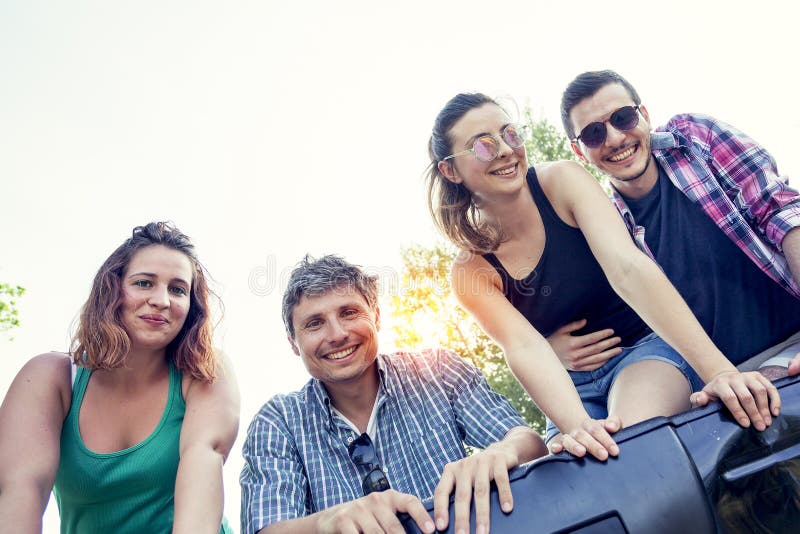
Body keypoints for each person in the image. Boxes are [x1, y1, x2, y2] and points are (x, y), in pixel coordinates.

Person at [426, 92, 780, 463]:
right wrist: (577, 425)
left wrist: (719, 371)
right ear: (450, 170)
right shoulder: (470, 270)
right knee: (581, 469)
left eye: (510, 134)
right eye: (482, 146)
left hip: (641, 353)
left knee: (628, 451)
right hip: (571, 389)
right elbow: (524, 347)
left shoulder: (560, 181)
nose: (504, 150)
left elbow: (627, 268)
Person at [239, 254, 547, 534]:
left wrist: (502, 452)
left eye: (348, 312)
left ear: (376, 316)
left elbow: (528, 441)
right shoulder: (278, 421)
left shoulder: (437, 369)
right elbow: (267, 528)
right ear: (294, 343)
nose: (337, 335)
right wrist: (326, 521)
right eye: (314, 323)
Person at [558, 69, 800, 393]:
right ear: (579, 152)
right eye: (593, 134)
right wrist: (552, 349)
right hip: (714, 386)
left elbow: (781, 211)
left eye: (623, 117)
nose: (614, 138)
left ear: (644, 114)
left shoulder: (693, 139)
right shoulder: (602, 228)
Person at [0, 222, 240, 533]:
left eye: (178, 289)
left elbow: (200, 489)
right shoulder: (50, 378)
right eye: (144, 283)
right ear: (112, 289)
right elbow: (19, 492)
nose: (162, 300)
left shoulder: (205, 372)